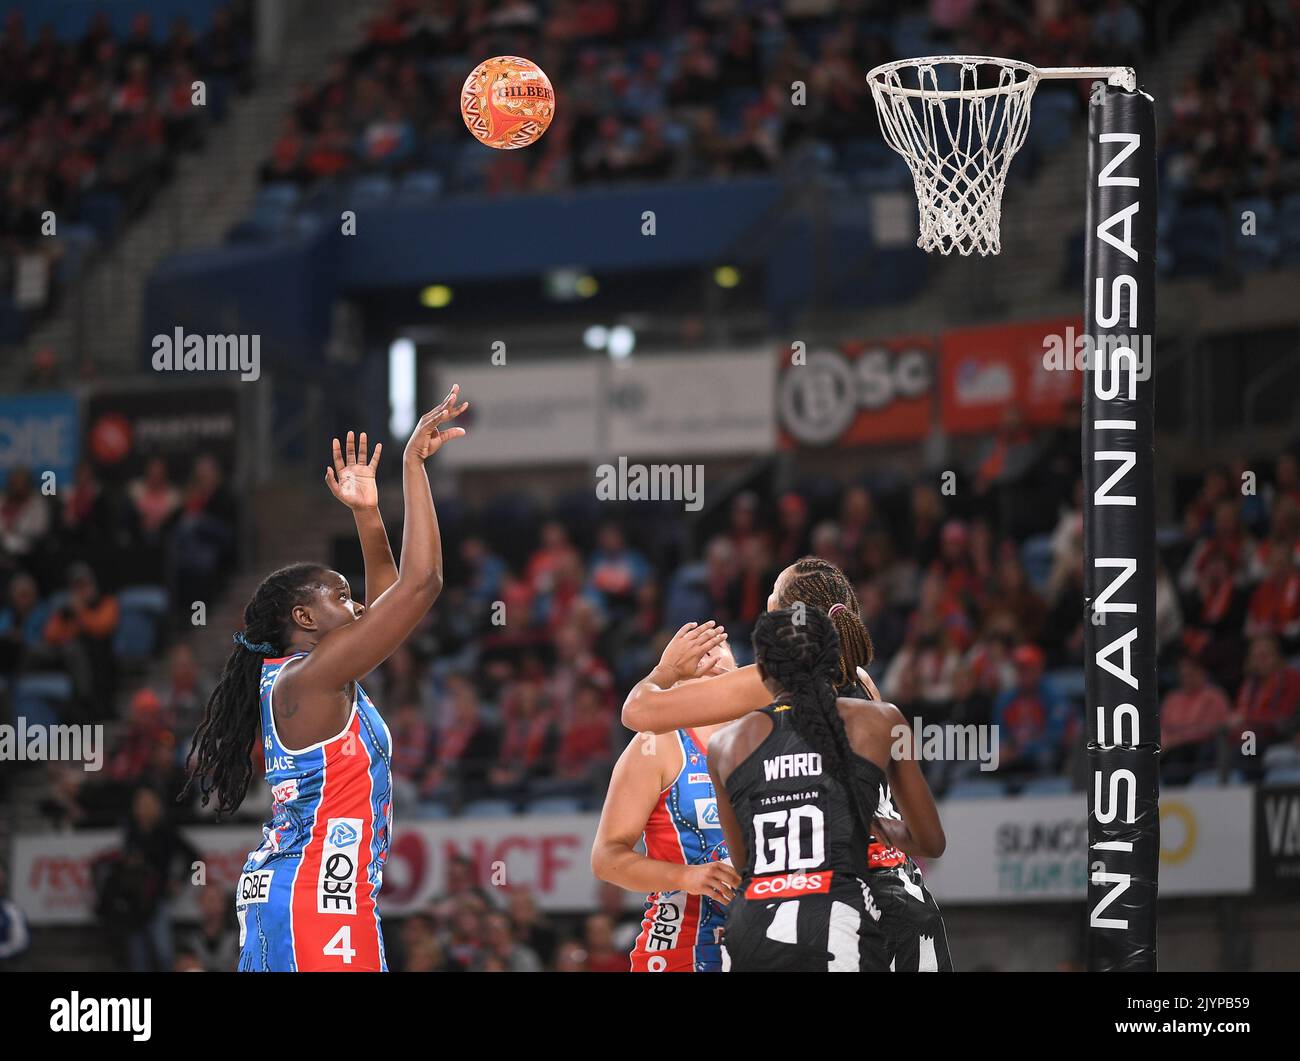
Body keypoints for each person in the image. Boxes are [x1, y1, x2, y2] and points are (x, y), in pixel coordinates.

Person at [181, 387, 469, 971]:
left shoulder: (305, 678)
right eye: (341, 596)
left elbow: (390, 600)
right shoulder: (309, 681)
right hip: (316, 898)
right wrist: (412, 466)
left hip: (299, 894)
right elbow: (421, 585)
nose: (358, 605)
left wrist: (367, 514)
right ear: (305, 619)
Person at [708, 607, 952, 972]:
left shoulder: (724, 744)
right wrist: (870, 824)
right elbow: (930, 841)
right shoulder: (881, 720)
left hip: (751, 928)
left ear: (761, 669)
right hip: (836, 923)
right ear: (832, 658)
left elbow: (746, 864)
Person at [591, 641, 740, 972]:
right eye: (698, 648)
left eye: (718, 645)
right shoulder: (656, 742)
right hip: (681, 943)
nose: (709, 654)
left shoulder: (764, 738)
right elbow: (605, 859)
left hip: (760, 938)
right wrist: (684, 876)